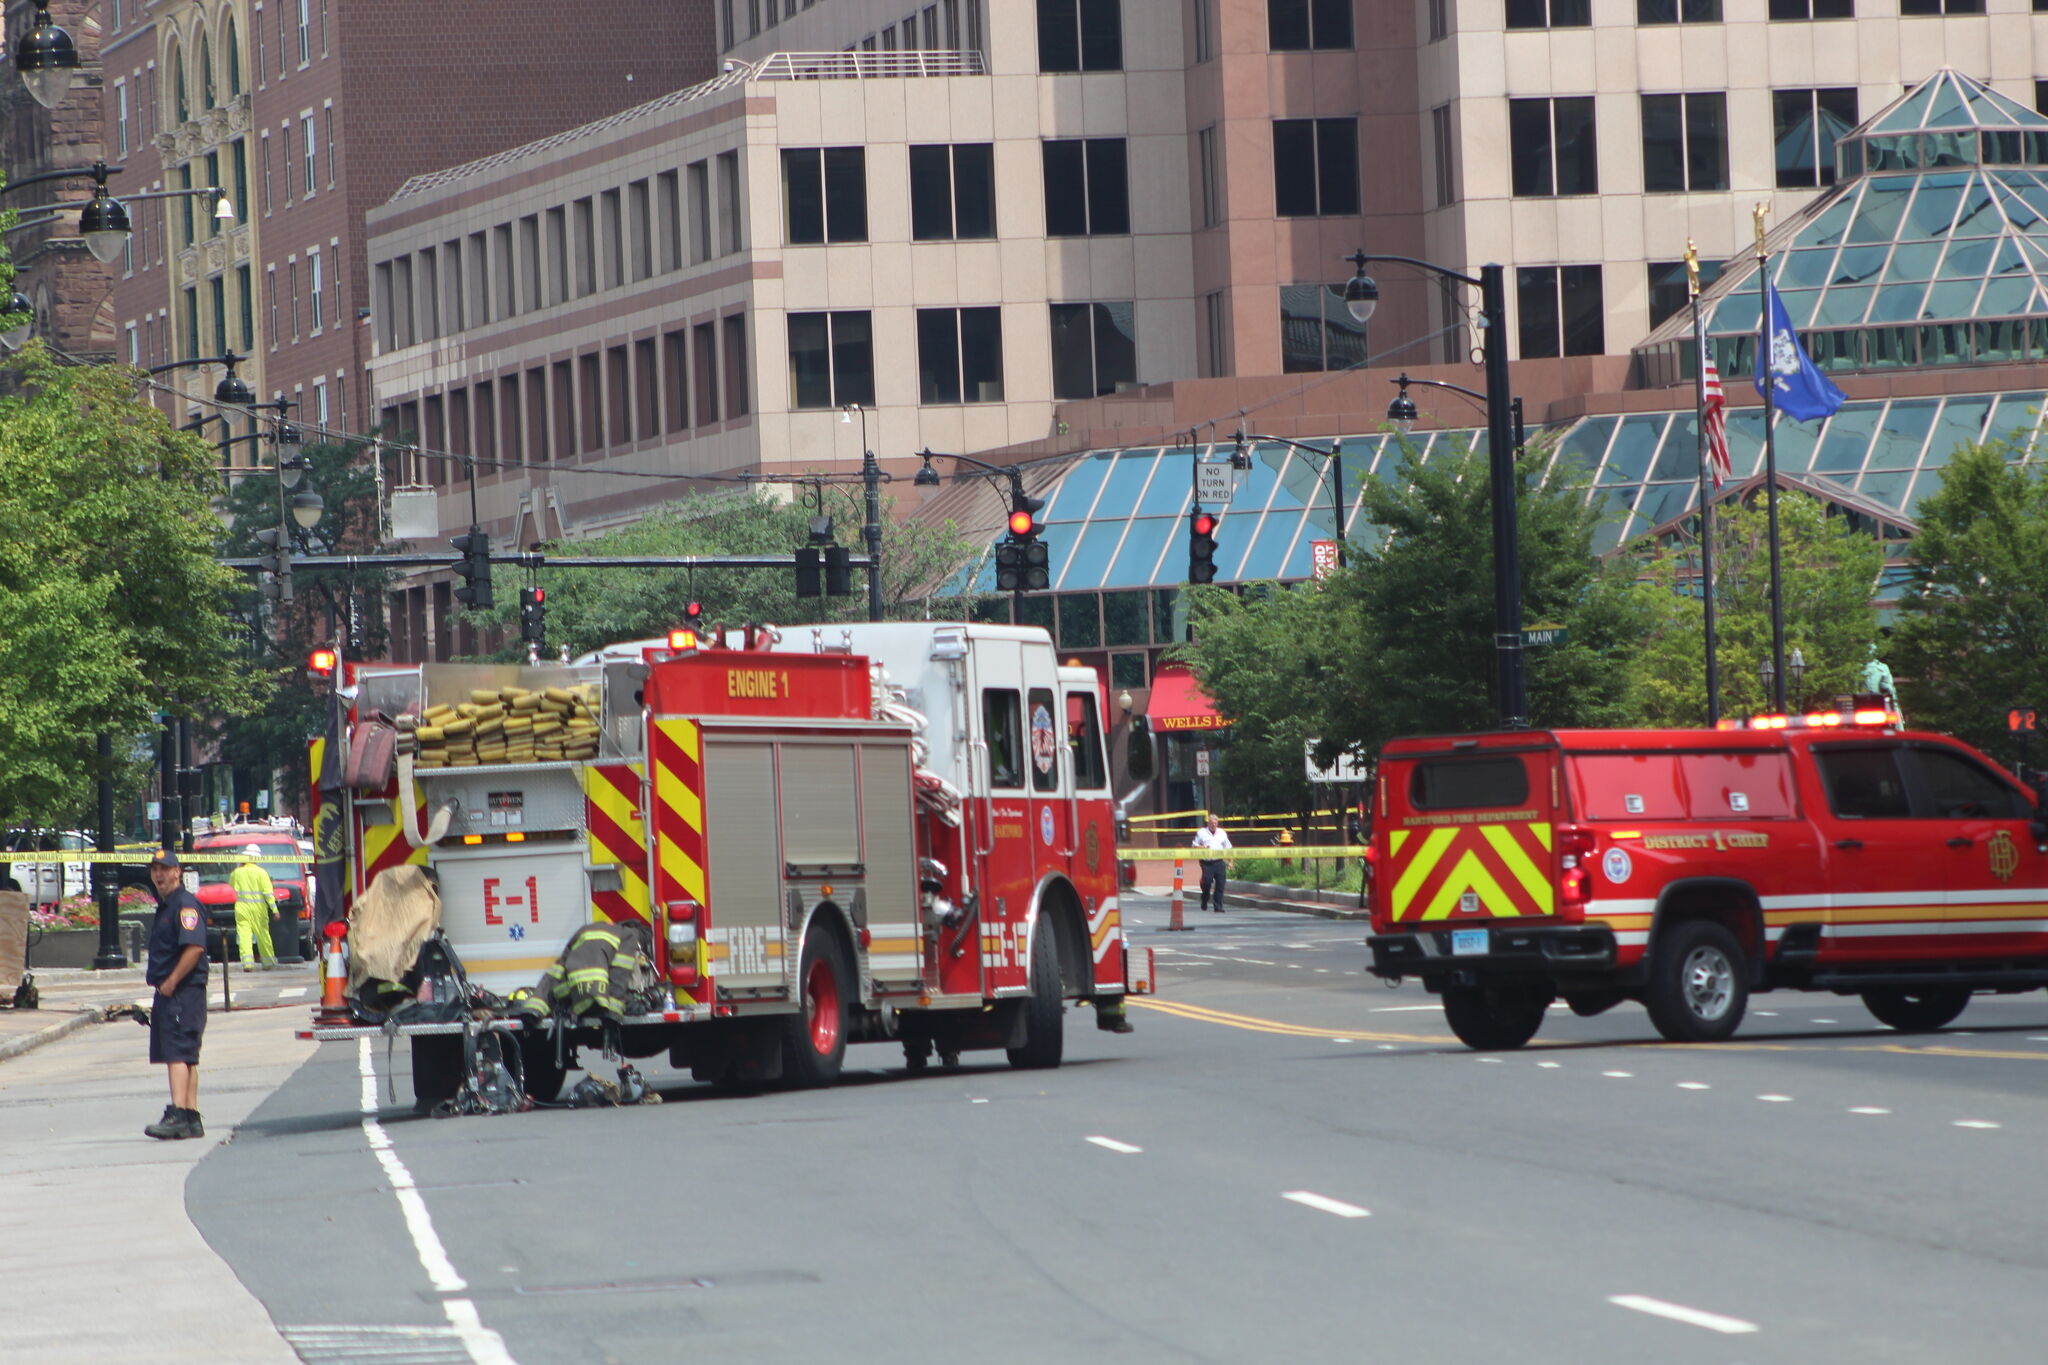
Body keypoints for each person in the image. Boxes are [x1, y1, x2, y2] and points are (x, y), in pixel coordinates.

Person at [143, 851, 208, 1140]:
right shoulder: (168, 905)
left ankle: (177, 1114)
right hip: (178, 991)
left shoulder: (185, 905)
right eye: (155, 869)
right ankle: (191, 1116)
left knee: (177, 1052)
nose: (159, 875)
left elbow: (194, 948)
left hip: (182, 991)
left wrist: (171, 982)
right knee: (186, 1054)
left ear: (177, 872)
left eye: (165, 869)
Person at [229, 844, 278, 969]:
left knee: (244, 936)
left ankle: (247, 963)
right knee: (263, 935)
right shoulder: (262, 873)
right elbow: (268, 893)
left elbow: (232, 887)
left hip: (241, 908)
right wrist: (274, 909)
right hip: (259, 909)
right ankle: (268, 963)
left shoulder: (237, 872)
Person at [1192, 814, 1231, 913]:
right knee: (1207, 883)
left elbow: (1228, 848)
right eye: (1211, 823)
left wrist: (1231, 861)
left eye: (1215, 823)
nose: (1213, 824)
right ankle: (1204, 899)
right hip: (1207, 863)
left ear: (1217, 823)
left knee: (1220, 884)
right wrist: (1203, 848)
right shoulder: (1202, 832)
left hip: (1219, 862)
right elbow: (1194, 846)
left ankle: (1218, 906)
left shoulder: (1222, 833)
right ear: (1208, 823)